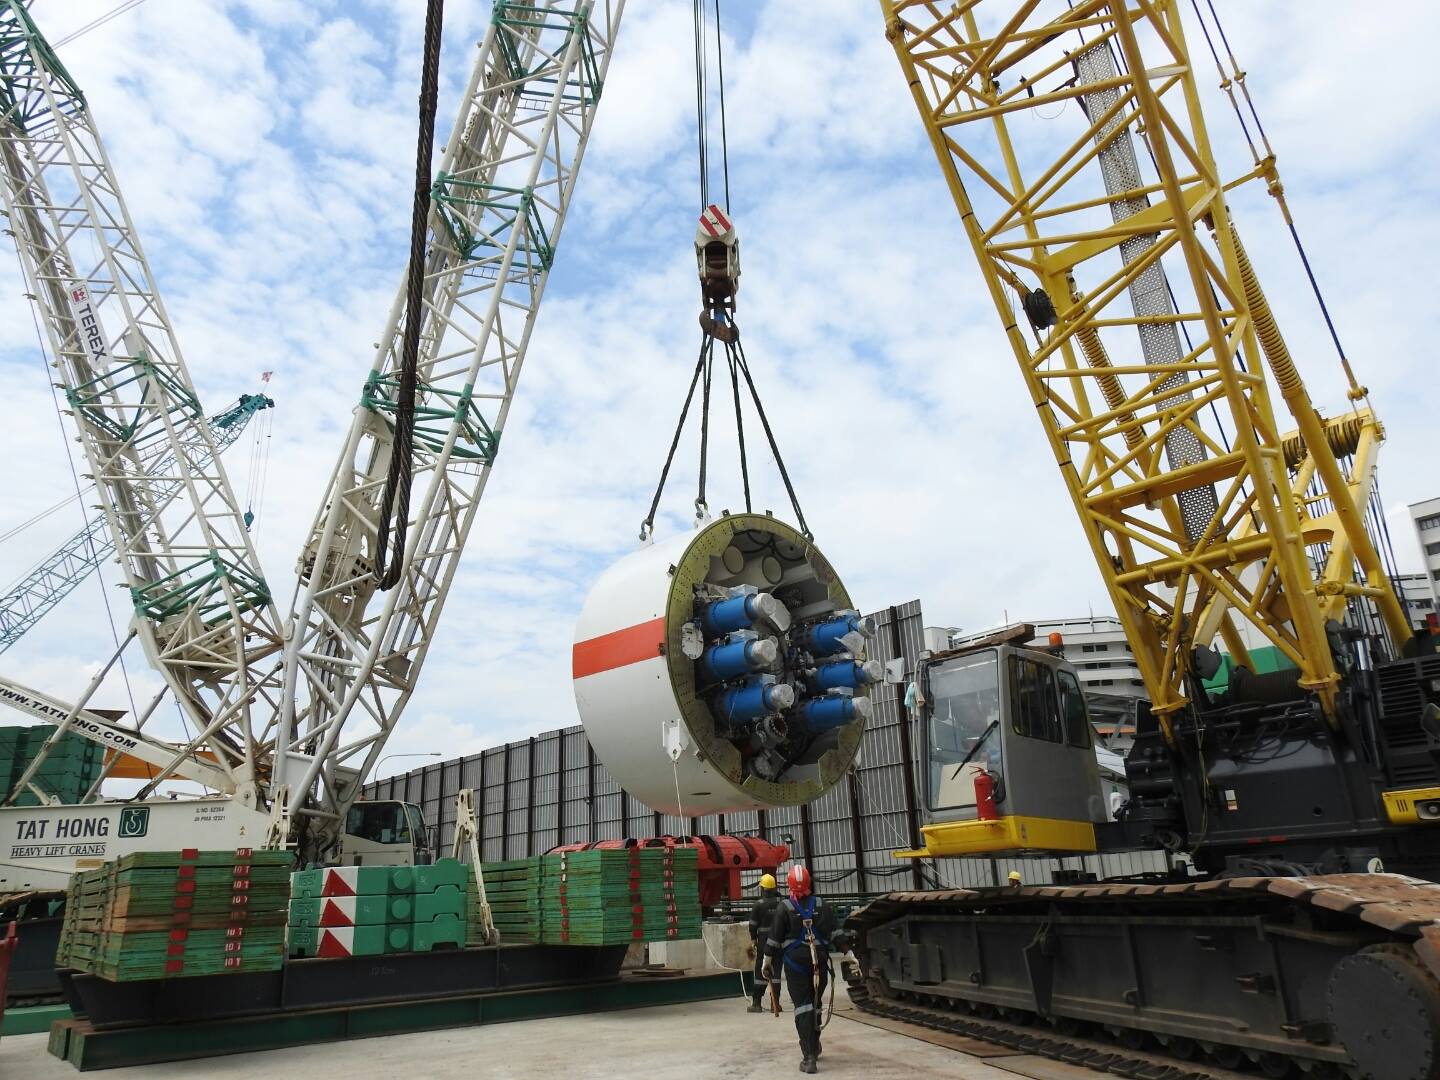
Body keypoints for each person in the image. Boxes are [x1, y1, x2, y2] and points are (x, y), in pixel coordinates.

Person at [762, 865, 851, 1074]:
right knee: (815, 1004)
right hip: (819, 963)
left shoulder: (785, 907)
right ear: (809, 883)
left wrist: (766, 961)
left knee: (803, 1007)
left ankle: (809, 1057)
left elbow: (774, 939)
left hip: (796, 965)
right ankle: (814, 1045)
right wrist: (849, 953)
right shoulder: (822, 905)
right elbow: (837, 933)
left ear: (789, 884)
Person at [746, 872, 782, 1013]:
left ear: (762, 888)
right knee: (776, 971)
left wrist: (753, 940)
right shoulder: (781, 903)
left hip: (763, 943)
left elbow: (753, 925)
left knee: (761, 971)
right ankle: (775, 1004)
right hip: (778, 943)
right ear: (774, 888)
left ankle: (756, 1003)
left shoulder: (758, 905)